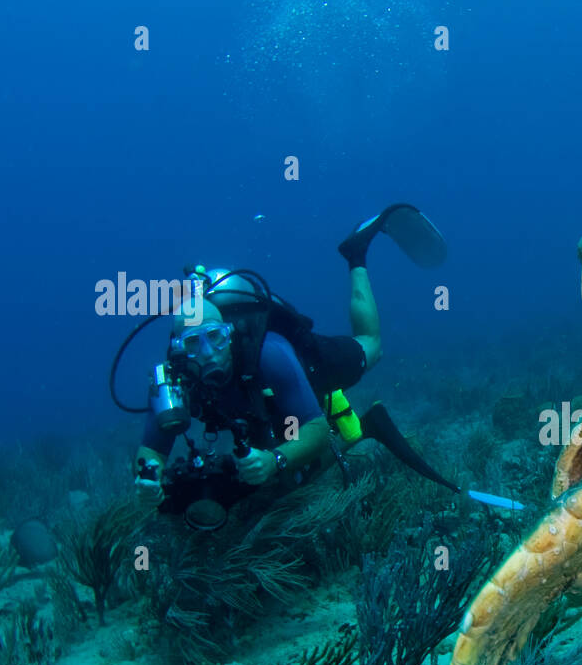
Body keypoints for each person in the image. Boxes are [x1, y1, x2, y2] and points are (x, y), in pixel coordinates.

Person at [133, 214, 448, 514]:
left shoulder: (269, 351)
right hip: (259, 404)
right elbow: (151, 451)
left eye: (214, 337)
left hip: (307, 366)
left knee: (372, 345)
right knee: (272, 481)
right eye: (193, 343)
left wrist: (274, 460)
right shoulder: (173, 384)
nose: (209, 353)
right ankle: (363, 429)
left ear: (228, 334)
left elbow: (316, 428)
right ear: (177, 351)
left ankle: (356, 252)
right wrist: (148, 478)